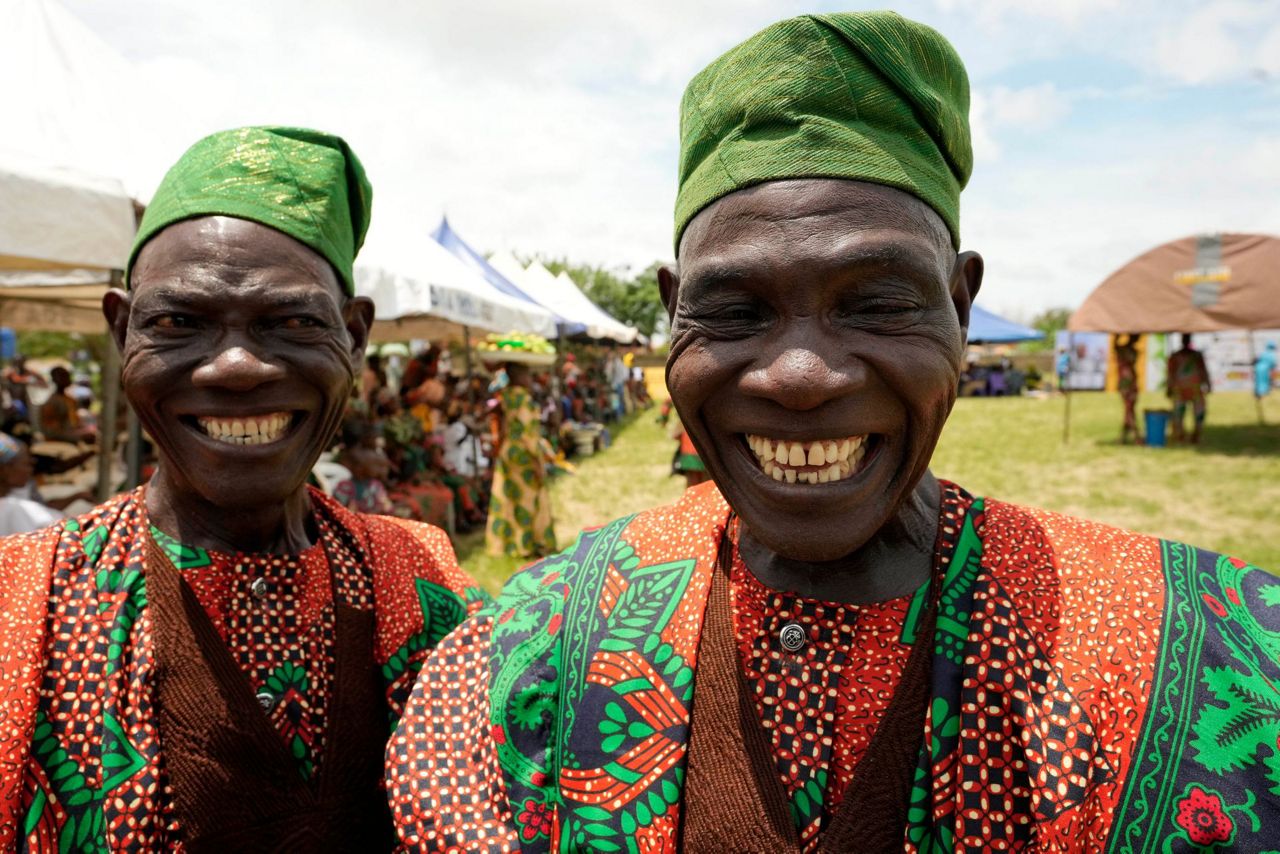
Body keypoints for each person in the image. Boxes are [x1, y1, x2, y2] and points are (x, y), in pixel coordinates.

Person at [387, 13, 1280, 851]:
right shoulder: (526, 653)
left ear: (961, 308)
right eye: (734, 311)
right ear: (671, 320)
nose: (802, 377)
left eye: (879, 302)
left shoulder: (1215, 659)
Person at [0, 126, 486, 850]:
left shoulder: (421, 587)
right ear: (120, 329)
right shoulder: (23, 601)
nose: (234, 366)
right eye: (177, 322)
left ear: (354, 337)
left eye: (290, 321)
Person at [484, 361, 556, 559]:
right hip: (524, 454)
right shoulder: (523, 398)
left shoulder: (504, 396)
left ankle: (508, 544)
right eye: (528, 375)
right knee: (528, 498)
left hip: (508, 451)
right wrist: (537, 460)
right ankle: (529, 545)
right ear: (521, 377)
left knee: (509, 498)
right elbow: (527, 431)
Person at [0, 433, 61, 535]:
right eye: (27, 464)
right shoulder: (14, 509)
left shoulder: (15, 503)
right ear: (5, 469)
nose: (30, 470)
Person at [1167, 332, 1211, 443]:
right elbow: (1170, 373)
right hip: (1181, 388)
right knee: (1178, 413)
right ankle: (1180, 435)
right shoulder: (1175, 356)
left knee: (1199, 412)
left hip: (1194, 387)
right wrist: (1169, 387)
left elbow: (1203, 370)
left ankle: (1196, 435)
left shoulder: (1196, 355)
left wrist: (1207, 383)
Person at [38, 365, 96, 444]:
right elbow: (51, 432)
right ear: (55, 379)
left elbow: (75, 422)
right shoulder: (52, 402)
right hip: (58, 441)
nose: (67, 379)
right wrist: (79, 435)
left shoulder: (70, 400)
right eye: (63, 377)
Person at [1114, 333, 1141, 443]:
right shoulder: (1125, 349)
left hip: (1130, 382)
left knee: (1129, 408)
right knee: (1129, 408)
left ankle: (1124, 437)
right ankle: (1136, 436)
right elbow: (1115, 345)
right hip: (1127, 383)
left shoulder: (1131, 350)